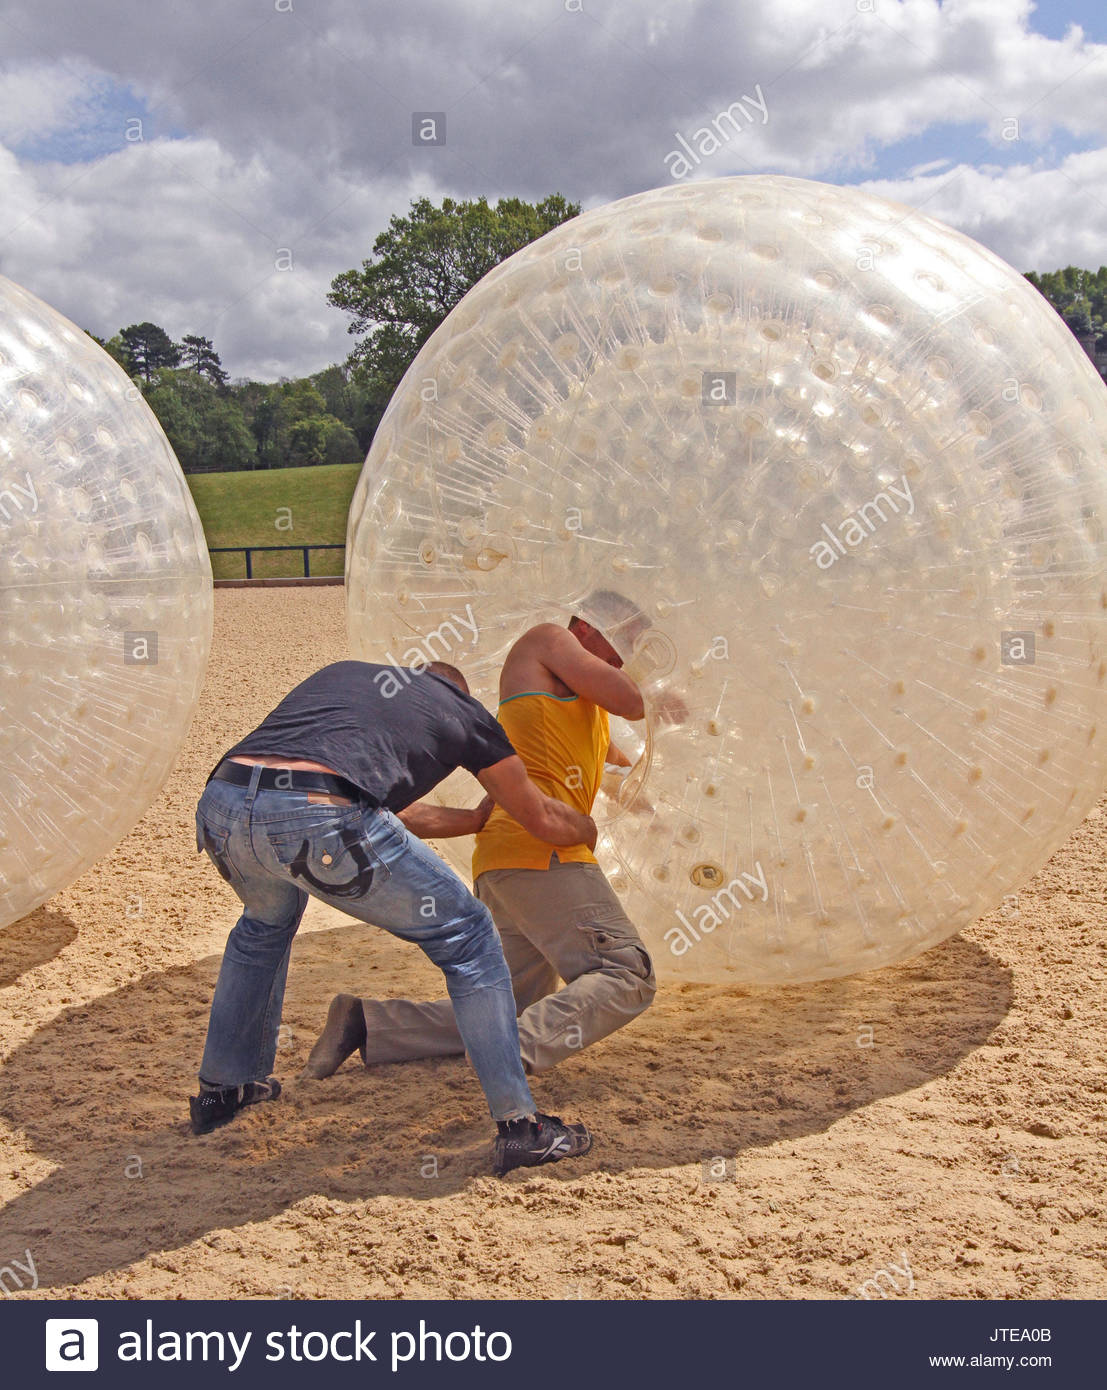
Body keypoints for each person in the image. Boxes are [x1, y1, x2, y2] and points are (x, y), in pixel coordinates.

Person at [190, 657, 596, 1177]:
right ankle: (522, 1128)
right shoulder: (466, 713)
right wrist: (585, 829)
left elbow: (378, 816)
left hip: (225, 803)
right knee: (470, 936)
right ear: (460, 693)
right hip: (319, 811)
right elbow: (536, 814)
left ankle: (224, 1091)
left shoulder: (346, 678)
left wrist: (471, 821)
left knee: (262, 928)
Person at [305, 592, 673, 1086]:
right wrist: (660, 691)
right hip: (543, 852)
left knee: (513, 1005)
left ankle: (368, 1023)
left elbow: (621, 775)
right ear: (585, 628)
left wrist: (666, 811)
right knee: (627, 972)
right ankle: (504, 1057)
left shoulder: (588, 710)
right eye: (620, 643)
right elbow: (632, 700)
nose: (621, 660)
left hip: (508, 861)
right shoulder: (547, 640)